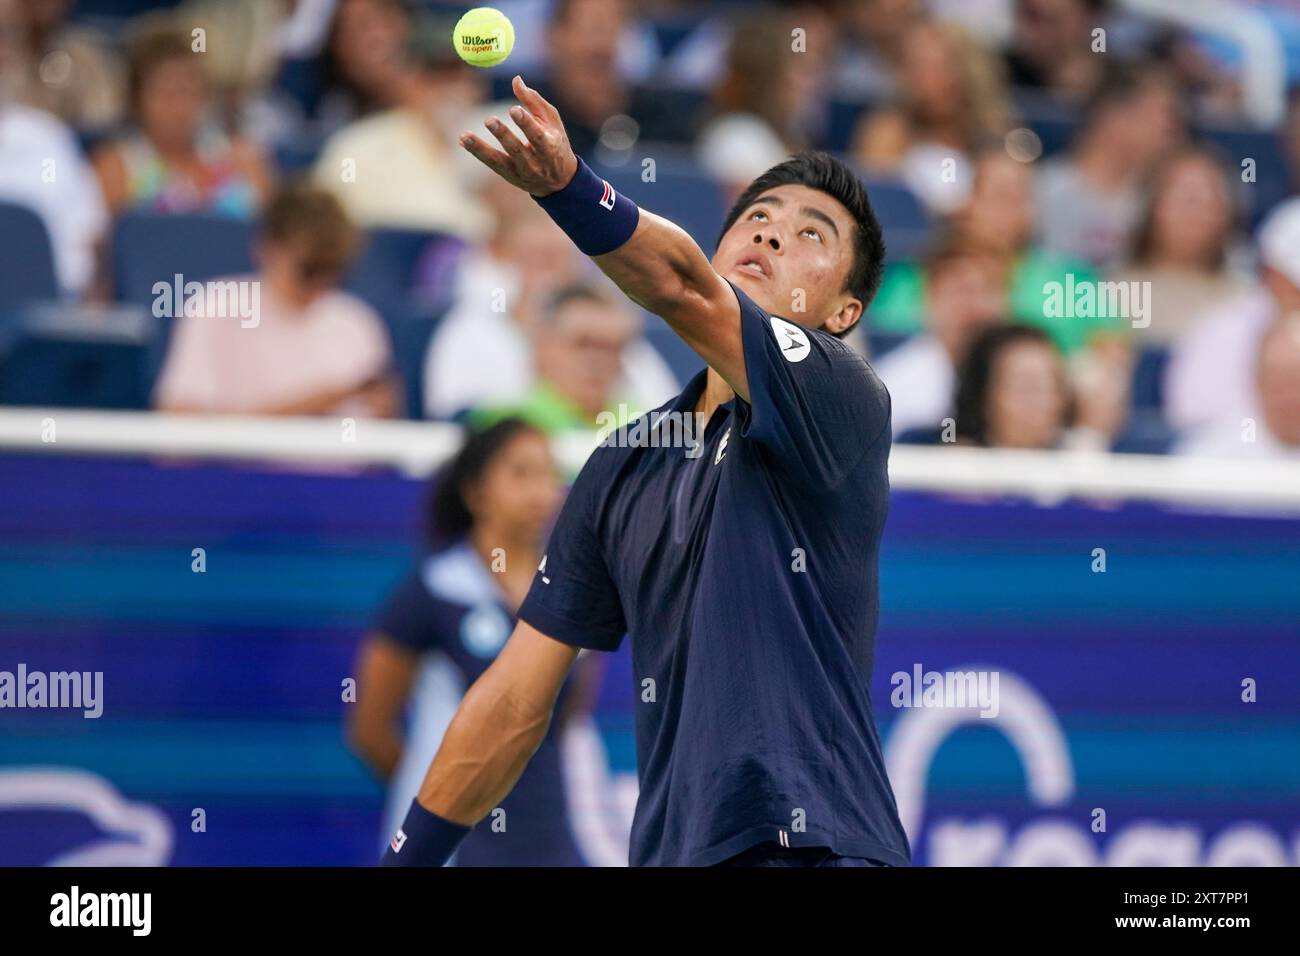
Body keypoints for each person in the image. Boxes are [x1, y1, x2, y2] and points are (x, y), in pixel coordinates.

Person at [382, 75, 911, 868]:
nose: (770, 236)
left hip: (818, 847)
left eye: (812, 235)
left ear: (843, 312)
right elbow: (515, 702)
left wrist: (567, 188)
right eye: (757, 219)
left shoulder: (842, 394)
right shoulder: (624, 463)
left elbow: (679, 286)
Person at [349, 418, 593, 865]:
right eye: (520, 474)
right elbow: (370, 730)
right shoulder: (433, 589)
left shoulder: (574, 590)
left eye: (548, 475)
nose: (541, 491)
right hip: (460, 844)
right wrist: (442, 796)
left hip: (549, 836)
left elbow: (568, 714)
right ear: (475, 490)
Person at [421, 182, 677, 420]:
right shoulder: (472, 329)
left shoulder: (611, 332)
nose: (549, 274)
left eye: (558, 259)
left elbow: (665, 417)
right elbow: (454, 423)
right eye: (538, 259)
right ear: (509, 261)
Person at [154, 182, 398, 417]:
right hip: (239, 461)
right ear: (269, 247)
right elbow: (179, 426)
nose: (320, 284)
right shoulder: (216, 306)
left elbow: (377, 435)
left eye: (333, 269)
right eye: (310, 269)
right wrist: (309, 405)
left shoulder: (357, 322)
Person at [91, 25, 272, 218]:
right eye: (165, 94)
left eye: (187, 91)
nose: (178, 107)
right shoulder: (115, 168)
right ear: (136, 100)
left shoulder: (242, 161)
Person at [1166, 197, 1300, 434]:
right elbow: (1191, 418)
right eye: (1292, 280)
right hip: (1231, 462)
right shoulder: (1221, 329)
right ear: (1271, 272)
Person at [469, 282, 665, 445]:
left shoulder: (648, 426)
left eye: (611, 347)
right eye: (582, 344)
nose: (598, 360)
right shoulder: (503, 422)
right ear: (543, 347)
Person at [851, 18, 1013, 214]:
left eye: (944, 66)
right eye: (920, 67)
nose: (931, 79)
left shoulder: (995, 131)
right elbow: (875, 206)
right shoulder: (886, 133)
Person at [1035, 63, 1183, 270]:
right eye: (1162, 115)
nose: (1170, 130)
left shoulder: (1157, 205)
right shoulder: (1041, 190)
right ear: (1115, 116)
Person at [1108, 146, 1249, 346]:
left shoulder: (1246, 300)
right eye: (1184, 196)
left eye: (1208, 198)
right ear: (1151, 206)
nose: (1194, 211)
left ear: (1228, 214)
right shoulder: (1109, 292)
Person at [874, 236, 1008, 437]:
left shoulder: (1019, 375)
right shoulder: (893, 385)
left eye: (987, 290)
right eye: (961, 291)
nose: (974, 306)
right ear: (930, 298)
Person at [1176, 317, 1300, 461]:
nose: (1290, 396)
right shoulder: (1219, 447)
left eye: (1296, 381)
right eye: (1280, 382)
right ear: (1258, 383)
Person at [948, 324, 1082, 449]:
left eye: (1053, 386)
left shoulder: (1081, 459)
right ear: (983, 397)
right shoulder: (954, 466)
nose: (1046, 402)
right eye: (1027, 388)